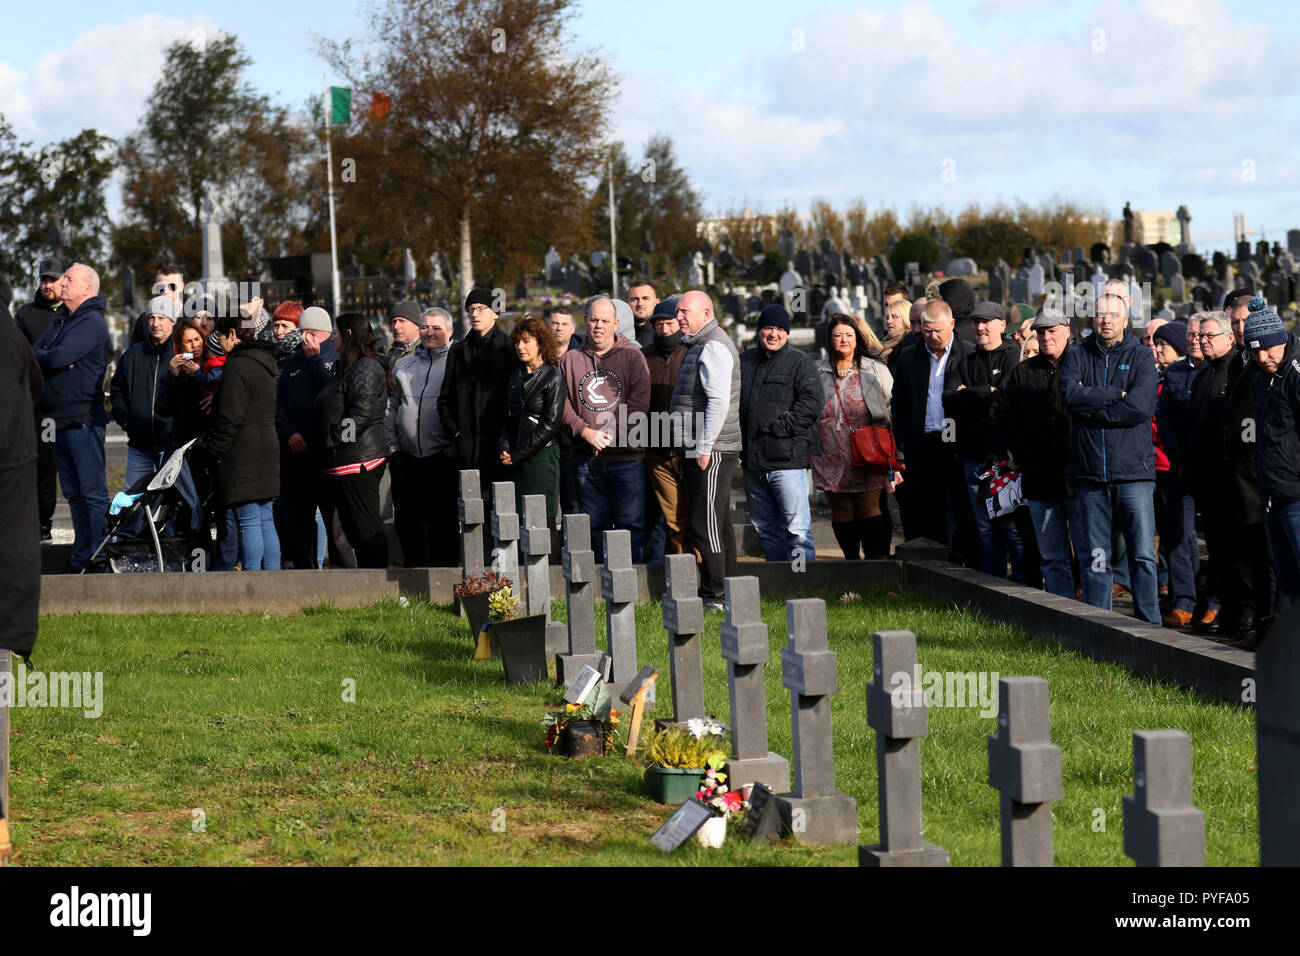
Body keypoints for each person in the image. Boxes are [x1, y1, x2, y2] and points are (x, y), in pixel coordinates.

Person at [1059, 291, 1159, 623]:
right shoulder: (1076, 355)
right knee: (1096, 557)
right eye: (1101, 314)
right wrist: (1115, 394)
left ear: (1125, 320)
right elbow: (1070, 397)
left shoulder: (1143, 357)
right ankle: (1101, 625)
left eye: (1113, 315)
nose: (1106, 320)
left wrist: (1092, 410)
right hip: (1090, 475)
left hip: (1134, 474)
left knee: (1142, 555)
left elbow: (1141, 407)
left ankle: (1151, 625)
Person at [559, 295, 651, 563]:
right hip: (586, 458)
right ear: (585, 321)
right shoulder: (569, 360)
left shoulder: (633, 357)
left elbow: (639, 402)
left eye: (605, 321)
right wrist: (585, 431)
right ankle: (602, 587)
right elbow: (562, 403)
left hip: (627, 459)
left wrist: (609, 433)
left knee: (631, 525)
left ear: (616, 324)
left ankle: (631, 585)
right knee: (594, 526)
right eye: (594, 319)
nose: (599, 325)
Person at [994, 307, 1078, 598]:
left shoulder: (1082, 365)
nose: (1046, 337)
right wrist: (1022, 451)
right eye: (1040, 332)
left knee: (1089, 555)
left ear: (1067, 329)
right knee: (1052, 556)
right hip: (1039, 475)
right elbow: (1004, 414)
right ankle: (1062, 612)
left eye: (1052, 330)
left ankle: (1095, 617)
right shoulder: (1024, 372)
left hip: (1079, 474)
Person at [944, 300, 1030, 582]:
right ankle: (993, 587)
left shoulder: (1012, 355)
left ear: (1002, 326)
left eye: (987, 322)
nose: (980, 328)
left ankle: (1022, 588)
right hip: (973, 457)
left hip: (1004, 460)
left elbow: (1005, 399)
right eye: (976, 322)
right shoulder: (967, 359)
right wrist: (985, 392)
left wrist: (969, 393)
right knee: (985, 529)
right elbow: (948, 399)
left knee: (1012, 530)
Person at [34, 263, 110, 573]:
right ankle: (82, 557)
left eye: (69, 278)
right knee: (75, 495)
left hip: (82, 420)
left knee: (91, 494)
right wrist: (50, 358)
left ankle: (97, 558)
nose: (62, 283)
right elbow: (35, 354)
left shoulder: (91, 322)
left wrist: (50, 358)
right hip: (57, 420)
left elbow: (57, 356)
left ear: (87, 288)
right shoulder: (61, 320)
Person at [890, 298, 977, 565]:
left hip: (958, 444)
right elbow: (900, 402)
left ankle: (965, 567)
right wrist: (906, 438)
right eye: (927, 331)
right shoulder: (909, 356)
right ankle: (934, 568)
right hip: (924, 443)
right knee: (928, 510)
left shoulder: (969, 354)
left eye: (938, 330)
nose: (933, 336)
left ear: (952, 324)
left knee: (964, 510)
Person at [670, 290, 741, 605]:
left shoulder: (712, 345)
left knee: (705, 523)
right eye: (679, 311)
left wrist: (703, 447)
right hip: (705, 447)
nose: (679, 317)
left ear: (706, 312)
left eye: (685, 311)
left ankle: (716, 593)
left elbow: (719, 401)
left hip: (711, 450)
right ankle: (731, 591)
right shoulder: (699, 343)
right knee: (718, 522)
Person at [739, 304, 822, 562]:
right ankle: (776, 584)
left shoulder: (800, 363)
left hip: (787, 462)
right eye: (767, 328)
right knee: (766, 530)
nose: (773, 334)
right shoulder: (744, 361)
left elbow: (811, 402)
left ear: (787, 332)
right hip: (753, 463)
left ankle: (801, 584)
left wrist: (781, 427)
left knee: (796, 530)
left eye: (778, 329)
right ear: (759, 331)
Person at [810, 313, 896, 560]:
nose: (844, 340)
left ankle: (874, 561)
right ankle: (850, 562)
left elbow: (892, 408)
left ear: (857, 339)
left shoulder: (875, 370)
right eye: (838, 335)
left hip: (868, 450)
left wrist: (895, 455)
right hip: (830, 453)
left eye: (849, 335)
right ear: (830, 340)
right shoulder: (817, 371)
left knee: (868, 507)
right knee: (841, 509)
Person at [315, 312, 395, 569]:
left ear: (348, 334)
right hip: (344, 459)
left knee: (365, 526)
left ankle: (380, 584)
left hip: (360, 459)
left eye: (337, 333)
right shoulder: (345, 366)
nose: (333, 338)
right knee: (351, 530)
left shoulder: (366, 366)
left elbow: (362, 413)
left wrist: (332, 439)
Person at [207, 313, 280, 570]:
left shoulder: (237, 365)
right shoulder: (265, 362)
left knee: (248, 519)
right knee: (266, 518)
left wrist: (214, 450)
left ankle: (253, 583)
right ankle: (272, 579)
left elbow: (230, 416)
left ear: (234, 335)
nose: (219, 340)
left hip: (242, 452)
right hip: (268, 447)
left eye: (221, 335)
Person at [1220, 290, 1272, 645]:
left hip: (1263, 476)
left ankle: (1266, 624)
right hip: (1235, 476)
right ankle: (1247, 617)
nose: (1240, 328)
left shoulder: (1267, 361)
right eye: (1235, 322)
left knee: (1266, 558)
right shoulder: (1236, 362)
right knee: (1243, 555)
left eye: (1244, 321)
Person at [388, 307, 459, 567]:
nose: (430, 333)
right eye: (425, 327)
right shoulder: (404, 364)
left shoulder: (458, 362)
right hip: (406, 458)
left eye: (437, 328)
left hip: (442, 457)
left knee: (443, 522)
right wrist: (394, 447)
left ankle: (443, 577)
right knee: (407, 521)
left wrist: (455, 445)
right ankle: (412, 575)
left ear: (450, 331)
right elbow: (392, 406)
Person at [1248, 299, 1300, 641]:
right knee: (1290, 583)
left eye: (1268, 350)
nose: (1263, 358)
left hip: (1296, 495)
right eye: (1255, 353)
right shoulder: (1263, 379)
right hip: (1274, 496)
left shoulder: (1295, 374)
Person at [277, 307, 344, 569]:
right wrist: (289, 432)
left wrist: (315, 359)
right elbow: (279, 404)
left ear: (319, 334)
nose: (303, 339)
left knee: (333, 520)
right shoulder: (293, 361)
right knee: (298, 520)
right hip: (296, 455)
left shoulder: (334, 355)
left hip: (326, 453)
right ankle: (305, 571)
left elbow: (332, 396)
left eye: (308, 333)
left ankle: (340, 572)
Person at [439, 289, 513, 490]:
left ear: (495, 313)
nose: (475, 314)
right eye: (470, 310)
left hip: (499, 447)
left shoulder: (509, 349)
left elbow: (514, 400)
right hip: (467, 448)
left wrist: (507, 440)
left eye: (481, 309)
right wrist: (456, 434)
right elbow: (445, 400)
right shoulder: (458, 351)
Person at [1151, 321, 1198, 627]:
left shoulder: (1188, 377)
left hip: (1179, 465)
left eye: (1162, 344)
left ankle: (1188, 598)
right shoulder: (1162, 376)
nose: (1156, 349)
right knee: (1170, 535)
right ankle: (1181, 596)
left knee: (1183, 535)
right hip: (1158, 467)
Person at [13, 256, 64, 541]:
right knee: (40, 464)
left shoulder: (73, 311)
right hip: (37, 403)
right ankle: (40, 522)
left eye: (52, 280)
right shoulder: (26, 314)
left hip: (67, 401)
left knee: (65, 467)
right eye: (44, 279)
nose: (47, 285)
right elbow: (18, 352)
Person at [500, 315, 566, 521]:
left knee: (542, 519)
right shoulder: (515, 376)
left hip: (541, 458)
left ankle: (551, 556)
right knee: (517, 519)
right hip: (514, 458)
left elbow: (551, 424)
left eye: (527, 341)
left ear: (540, 343)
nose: (521, 346)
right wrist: (503, 447)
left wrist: (518, 454)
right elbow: (507, 415)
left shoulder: (552, 376)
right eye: (518, 341)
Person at [110, 295, 180, 487]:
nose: (155, 323)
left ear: (172, 321)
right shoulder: (132, 355)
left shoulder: (181, 355)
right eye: (151, 318)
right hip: (139, 447)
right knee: (134, 502)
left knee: (170, 505)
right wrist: (126, 420)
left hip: (171, 448)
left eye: (161, 318)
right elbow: (117, 390)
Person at [641, 299, 689, 561]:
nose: (664, 329)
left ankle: (705, 572)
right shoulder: (644, 356)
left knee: (695, 515)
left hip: (689, 449)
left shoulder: (691, 352)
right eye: (658, 324)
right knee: (673, 521)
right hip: (656, 452)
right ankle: (683, 574)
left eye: (669, 323)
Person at [129, 263, 185, 348]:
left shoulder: (192, 319)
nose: (165, 291)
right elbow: (134, 354)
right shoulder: (144, 320)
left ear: (181, 287)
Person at [270, 300, 304, 370]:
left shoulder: (305, 353)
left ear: (298, 327)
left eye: (285, 326)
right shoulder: (267, 351)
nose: (279, 332)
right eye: (276, 326)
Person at [386, 300, 422, 367]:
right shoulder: (392, 353)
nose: (396, 326)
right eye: (394, 321)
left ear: (417, 325)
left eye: (402, 321)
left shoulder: (425, 352)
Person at [627, 278, 660, 348]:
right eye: (634, 299)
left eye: (645, 298)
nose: (640, 304)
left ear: (656, 302)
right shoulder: (618, 335)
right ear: (627, 303)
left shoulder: (664, 332)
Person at [878, 298, 910, 370]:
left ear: (906, 318)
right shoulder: (883, 342)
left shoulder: (909, 343)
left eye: (894, 317)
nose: (889, 321)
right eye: (887, 317)